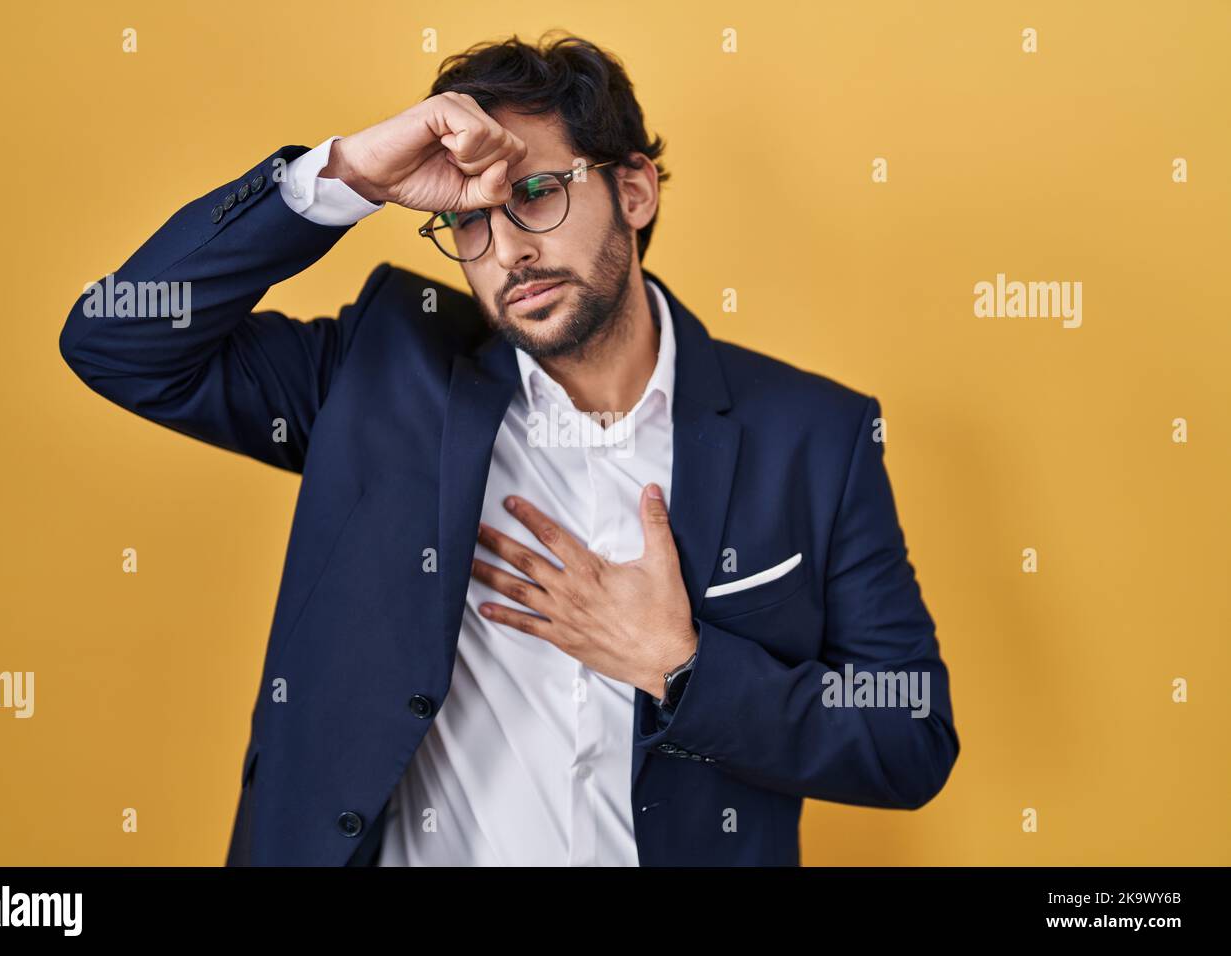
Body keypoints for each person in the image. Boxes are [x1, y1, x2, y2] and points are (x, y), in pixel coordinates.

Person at [59, 32, 959, 866]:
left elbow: (909, 734)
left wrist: (681, 667)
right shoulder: (382, 380)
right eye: (469, 221)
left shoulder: (812, 436)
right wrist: (346, 176)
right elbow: (117, 339)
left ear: (633, 192)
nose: (505, 254)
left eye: (534, 194)